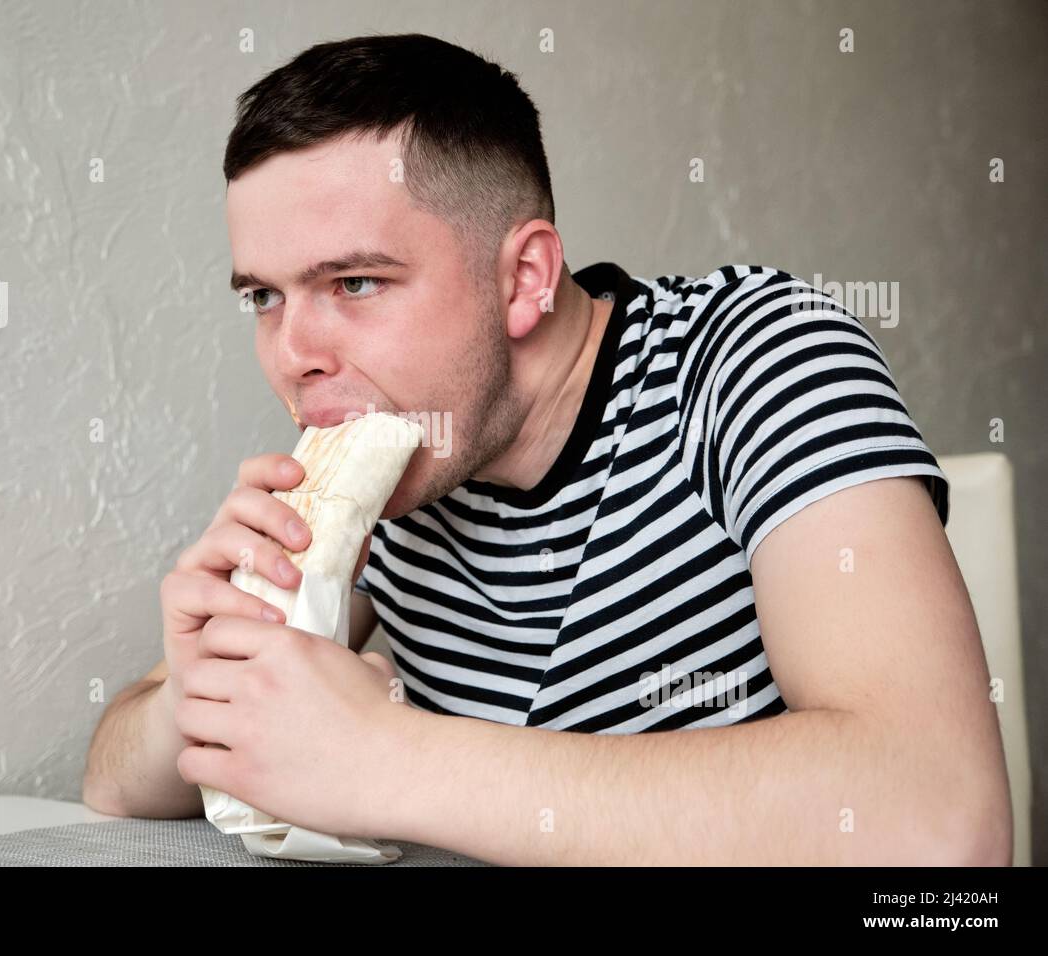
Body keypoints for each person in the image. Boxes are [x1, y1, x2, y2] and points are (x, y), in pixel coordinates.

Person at [82, 33, 1011, 866]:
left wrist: (384, 757)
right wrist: (195, 696)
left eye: (355, 282)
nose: (294, 356)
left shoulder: (759, 359)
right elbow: (113, 782)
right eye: (264, 297)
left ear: (525, 276)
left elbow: (941, 820)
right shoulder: (407, 473)